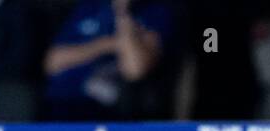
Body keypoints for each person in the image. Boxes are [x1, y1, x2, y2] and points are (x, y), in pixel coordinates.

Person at [42, 0, 176, 121]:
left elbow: (134, 69)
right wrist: (109, 44)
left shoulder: (155, 11)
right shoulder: (90, 7)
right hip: (62, 105)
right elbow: (52, 62)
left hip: (112, 114)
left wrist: (122, 13)